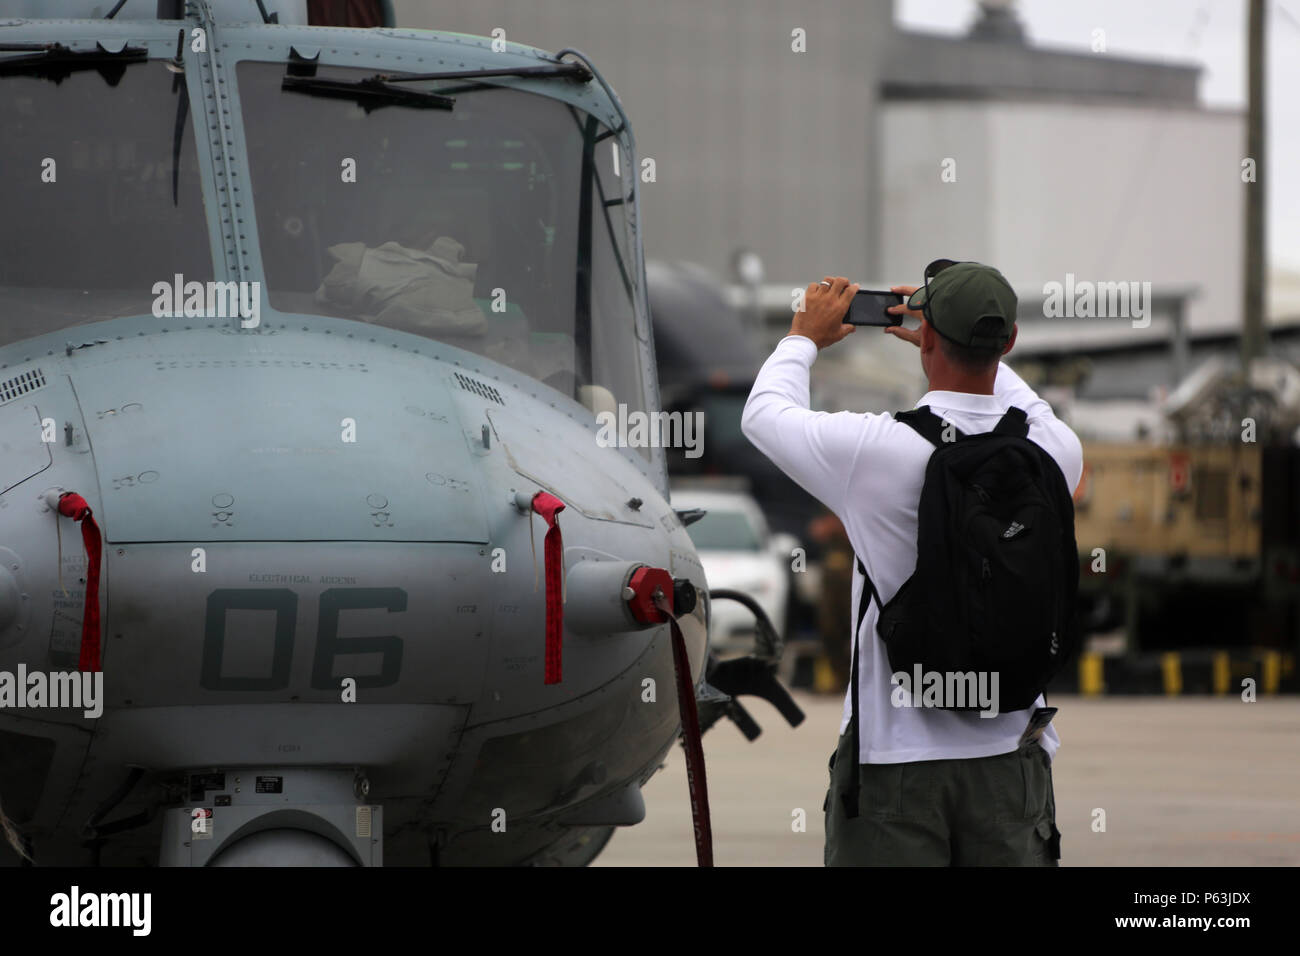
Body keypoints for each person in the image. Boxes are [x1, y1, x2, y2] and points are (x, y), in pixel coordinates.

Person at [740, 264, 1083, 866]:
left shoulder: (874, 450)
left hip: (896, 768)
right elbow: (1020, 398)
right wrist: (956, 343)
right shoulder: (1054, 451)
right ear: (1008, 342)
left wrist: (802, 337)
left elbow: (763, 414)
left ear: (926, 339)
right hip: (1011, 758)